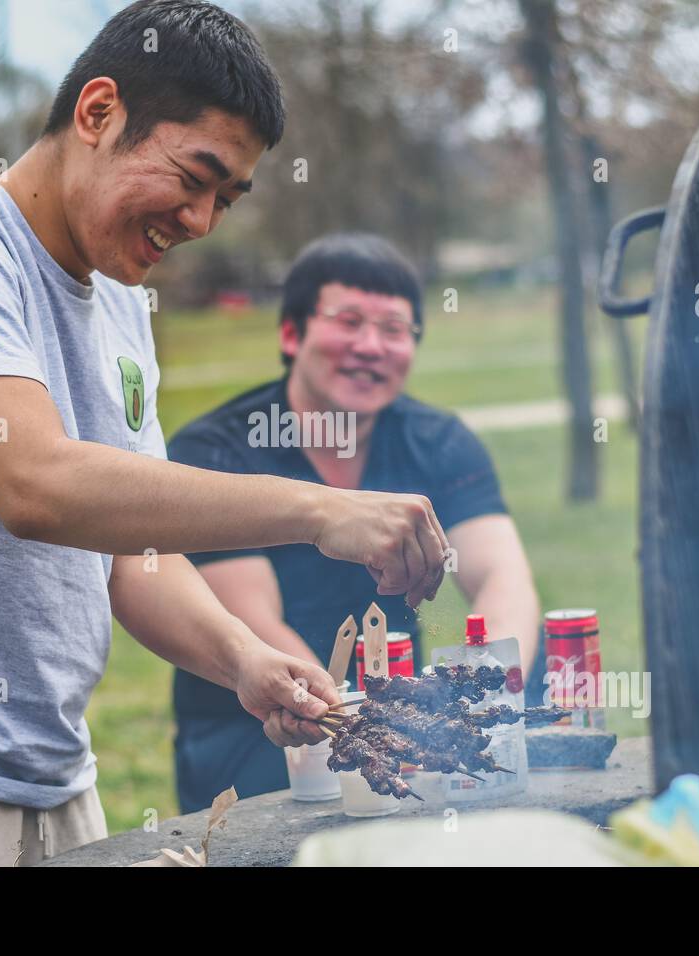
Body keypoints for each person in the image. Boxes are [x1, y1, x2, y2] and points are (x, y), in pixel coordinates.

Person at [0, 1, 449, 867]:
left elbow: (136, 552)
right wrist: (320, 510)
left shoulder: (122, 300)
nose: (200, 222)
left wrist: (245, 658)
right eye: (194, 177)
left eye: (225, 200)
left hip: (52, 777)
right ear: (98, 113)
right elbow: (37, 485)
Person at [167, 233, 541, 812]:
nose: (371, 346)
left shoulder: (439, 444)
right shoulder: (216, 451)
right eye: (349, 322)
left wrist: (481, 693)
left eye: (394, 329)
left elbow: (503, 577)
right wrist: (351, 723)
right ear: (292, 334)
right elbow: (253, 616)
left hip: (396, 736)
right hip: (253, 740)